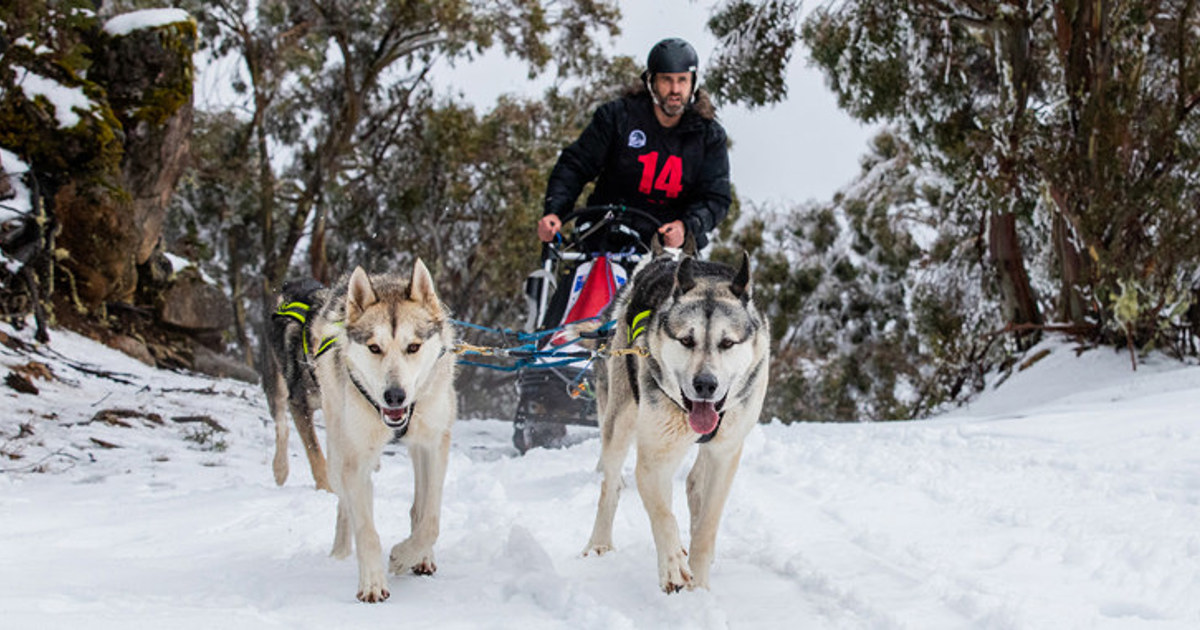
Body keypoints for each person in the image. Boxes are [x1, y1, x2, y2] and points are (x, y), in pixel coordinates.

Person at [537, 37, 731, 252]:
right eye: (666, 80)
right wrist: (555, 211)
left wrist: (686, 226)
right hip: (604, 237)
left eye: (682, 80)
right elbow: (575, 165)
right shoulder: (617, 118)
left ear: (693, 83)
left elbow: (715, 198)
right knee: (577, 283)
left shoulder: (709, 136)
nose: (675, 89)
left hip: (668, 250)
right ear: (651, 82)